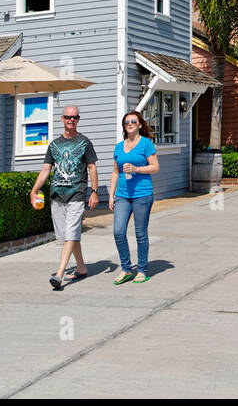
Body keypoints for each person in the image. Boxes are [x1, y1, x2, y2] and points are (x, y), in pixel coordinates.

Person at [30, 105, 98, 291]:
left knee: (71, 232)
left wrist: (94, 191)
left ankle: (59, 275)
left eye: (75, 117)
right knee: (67, 236)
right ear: (62, 119)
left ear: (78, 119)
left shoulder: (85, 143)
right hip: (57, 194)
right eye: (68, 117)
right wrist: (34, 190)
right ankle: (82, 268)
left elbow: (92, 167)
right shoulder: (54, 145)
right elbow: (46, 170)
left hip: (77, 192)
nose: (71, 120)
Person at [111, 110, 159, 284]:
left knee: (140, 234)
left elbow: (155, 167)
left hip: (142, 195)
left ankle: (142, 270)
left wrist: (137, 169)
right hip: (122, 195)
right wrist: (111, 195)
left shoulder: (146, 144)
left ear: (139, 125)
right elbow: (115, 172)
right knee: (118, 231)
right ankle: (126, 268)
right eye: (126, 122)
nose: (129, 124)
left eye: (133, 121)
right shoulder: (118, 147)